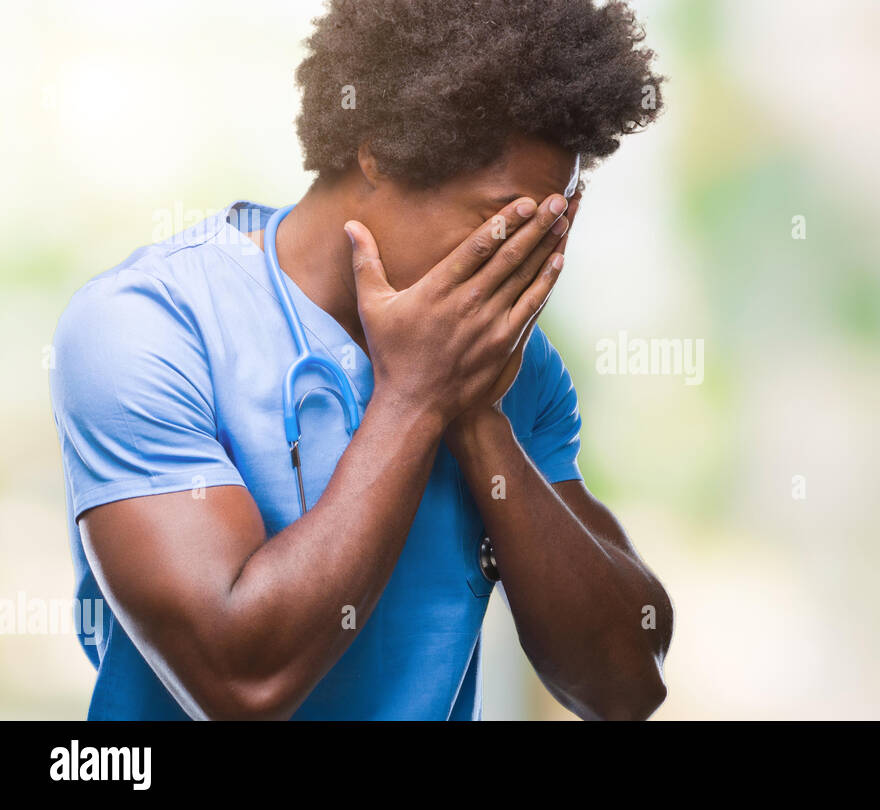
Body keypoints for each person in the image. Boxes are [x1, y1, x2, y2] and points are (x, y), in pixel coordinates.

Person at [48, 0, 672, 720]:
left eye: (552, 222)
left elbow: (626, 684)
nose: (530, 259)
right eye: (502, 221)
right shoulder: (145, 326)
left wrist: (477, 418)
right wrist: (414, 400)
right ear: (376, 154)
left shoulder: (513, 370)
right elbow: (239, 683)